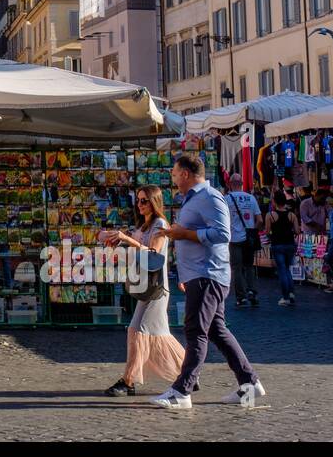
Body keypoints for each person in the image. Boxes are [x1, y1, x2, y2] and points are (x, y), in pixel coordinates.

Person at [152, 154, 263, 409]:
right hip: (198, 274)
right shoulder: (193, 199)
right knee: (216, 330)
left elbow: (223, 234)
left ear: (186, 174)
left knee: (195, 331)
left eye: (174, 173)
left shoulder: (210, 197)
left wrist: (184, 234)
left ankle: (182, 392)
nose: (172, 178)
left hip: (208, 274)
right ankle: (250, 384)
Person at [102, 185, 186, 396]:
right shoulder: (144, 225)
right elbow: (138, 249)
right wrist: (118, 240)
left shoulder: (160, 224)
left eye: (144, 201)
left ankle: (128, 381)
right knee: (153, 334)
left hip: (157, 288)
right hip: (146, 286)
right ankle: (188, 374)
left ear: (154, 202)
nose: (139, 204)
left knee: (140, 332)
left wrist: (127, 239)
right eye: (138, 200)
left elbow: (153, 253)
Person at [224, 174, 262, 308]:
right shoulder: (251, 198)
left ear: (230, 184)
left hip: (233, 239)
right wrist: (252, 230)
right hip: (248, 238)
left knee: (237, 268)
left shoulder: (226, 199)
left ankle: (241, 297)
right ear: (242, 183)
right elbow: (260, 220)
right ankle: (252, 290)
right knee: (249, 266)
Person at [265, 191, 301, 306]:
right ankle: (291, 293)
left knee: (282, 270)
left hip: (277, 244)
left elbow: (267, 231)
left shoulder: (270, 215)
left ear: (274, 202)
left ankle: (285, 297)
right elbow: (297, 231)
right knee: (287, 269)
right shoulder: (292, 215)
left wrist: (271, 235)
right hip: (290, 244)